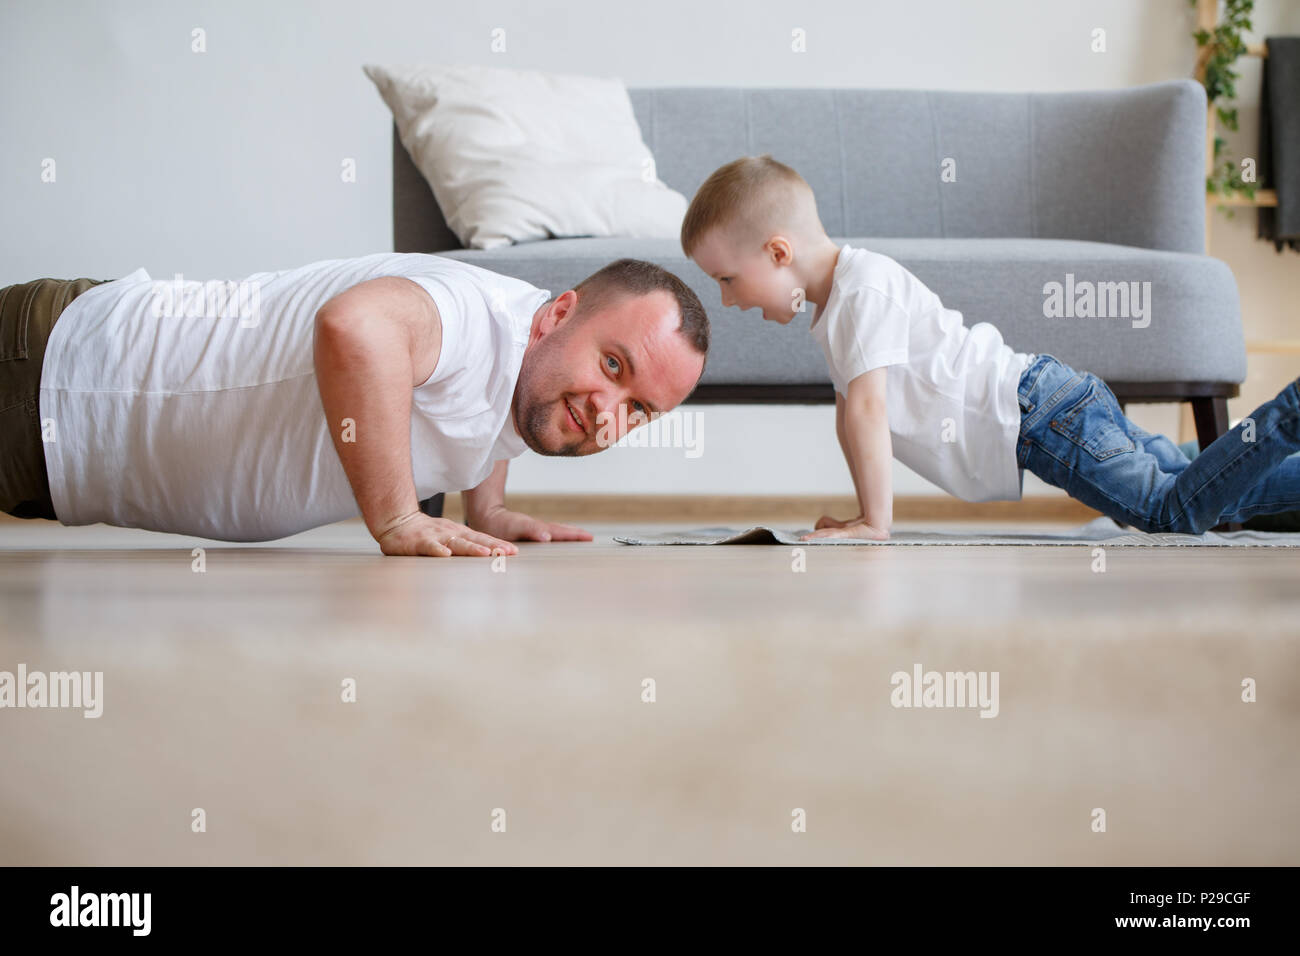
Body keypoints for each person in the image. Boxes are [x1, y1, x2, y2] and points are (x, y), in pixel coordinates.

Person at [680, 155, 1300, 540]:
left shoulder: (862, 292)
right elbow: (850, 416)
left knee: (1168, 513)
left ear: (778, 252)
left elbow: (868, 410)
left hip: (1043, 419)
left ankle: (1288, 414)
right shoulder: (838, 303)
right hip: (1048, 406)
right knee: (1200, 486)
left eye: (727, 280)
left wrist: (876, 523)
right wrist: (858, 514)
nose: (729, 301)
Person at [0, 254, 709, 556]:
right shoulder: (464, 311)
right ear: (557, 315)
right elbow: (354, 328)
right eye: (614, 365)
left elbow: (495, 406)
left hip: (72, 460)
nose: (608, 410)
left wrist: (485, 508)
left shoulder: (534, 365)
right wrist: (398, 518)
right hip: (53, 372)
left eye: (639, 409)